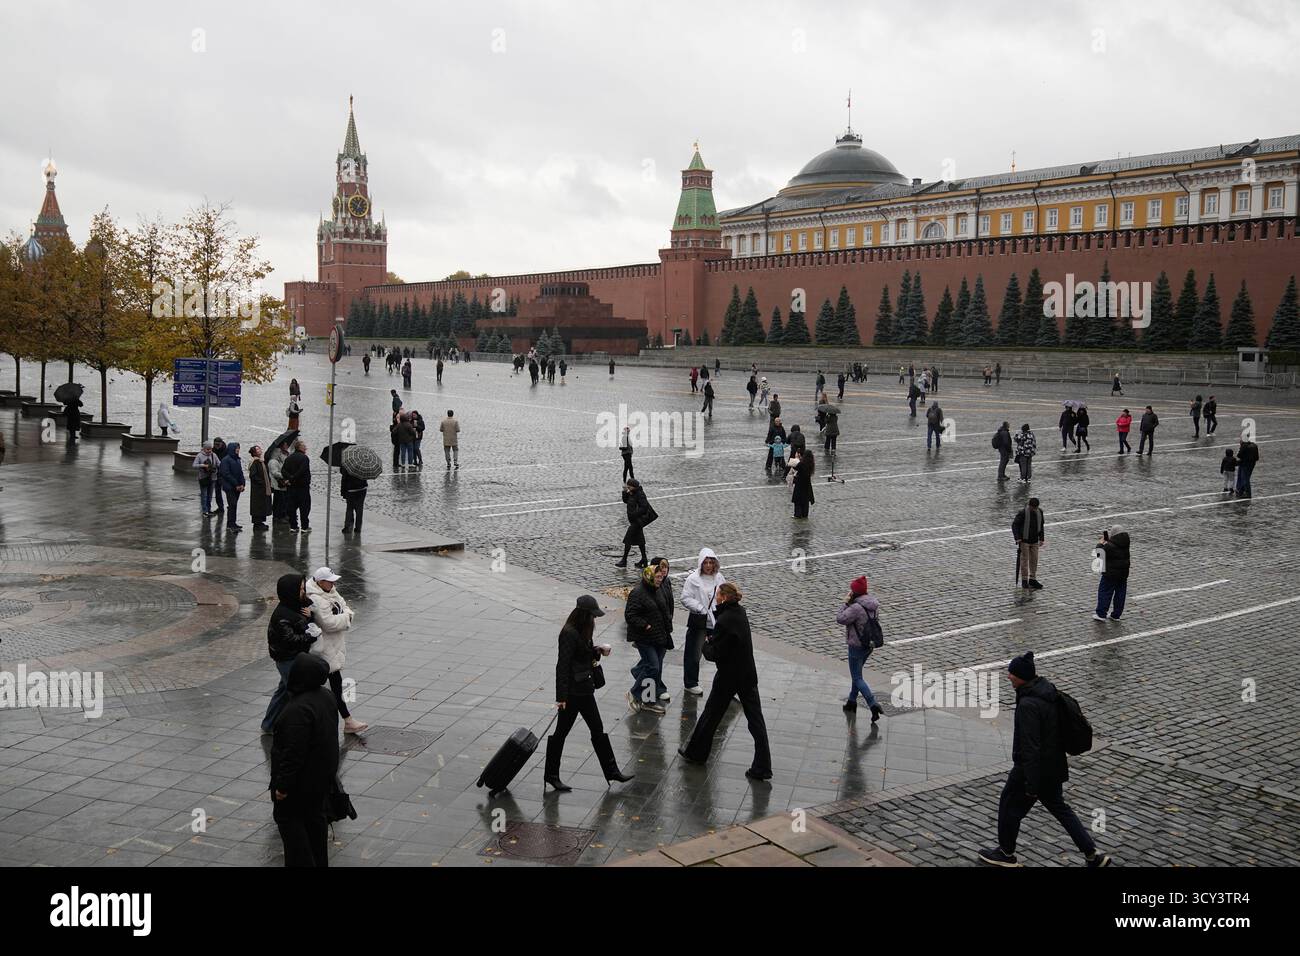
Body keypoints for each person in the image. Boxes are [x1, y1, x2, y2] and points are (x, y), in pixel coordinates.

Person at [978, 652, 1110, 867]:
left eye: (1012, 673)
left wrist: (1030, 783)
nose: (1009, 676)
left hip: (1031, 771)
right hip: (1054, 766)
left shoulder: (1028, 705)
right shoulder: (1048, 693)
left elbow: (1030, 747)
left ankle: (1005, 853)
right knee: (1060, 809)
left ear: (1022, 676)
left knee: (1009, 805)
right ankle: (1093, 854)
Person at [678, 582, 772, 781]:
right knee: (756, 720)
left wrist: (706, 644)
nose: (716, 597)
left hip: (728, 677)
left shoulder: (725, 620)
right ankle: (763, 765)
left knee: (711, 715)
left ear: (723, 597)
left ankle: (696, 753)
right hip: (747, 675)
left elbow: (715, 654)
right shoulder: (740, 613)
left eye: (717, 594)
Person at [546, 595, 635, 792]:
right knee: (561, 733)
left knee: (598, 729)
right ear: (584, 615)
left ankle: (612, 771)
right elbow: (563, 666)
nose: (594, 620)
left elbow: (582, 655)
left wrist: (597, 650)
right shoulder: (568, 633)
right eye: (592, 616)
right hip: (572, 694)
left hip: (585, 691)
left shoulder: (583, 630)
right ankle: (551, 775)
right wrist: (561, 698)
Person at [269, 652, 338, 868]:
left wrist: (282, 786)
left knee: (293, 832)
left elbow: (292, 753)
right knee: (315, 824)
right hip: (320, 780)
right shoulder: (326, 696)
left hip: (299, 785)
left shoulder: (296, 711)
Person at [306, 566, 367, 734]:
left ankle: (345, 721)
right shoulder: (316, 598)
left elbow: (344, 605)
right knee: (333, 686)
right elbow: (329, 623)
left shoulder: (330, 591)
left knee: (331, 686)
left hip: (333, 647)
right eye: (330, 581)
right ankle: (347, 721)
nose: (333, 584)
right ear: (320, 582)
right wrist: (346, 617)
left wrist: (344, 614)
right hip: (324, 649)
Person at [261, 574, 320, 732]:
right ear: (290, 591)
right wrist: (310, 636)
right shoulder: (282, 615)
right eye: (300, 589)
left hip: (297, 657)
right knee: (298, 695)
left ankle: (269, 724)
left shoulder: (297, 605)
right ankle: (298, 727)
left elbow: (304, 623)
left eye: (303, 588)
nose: (303, 592)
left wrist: (311, 616)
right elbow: (291, 639)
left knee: (283, 692)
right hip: (288, 659)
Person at [625, 561, 673, 714]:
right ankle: (634, 693)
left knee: (654, 670)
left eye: (661, 576)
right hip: (645, 637)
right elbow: (630, 615)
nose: (660, 579)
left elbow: (664, 609)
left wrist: (668, 629)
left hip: (659, 636)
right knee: (653, 667)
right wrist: (645, 625)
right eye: (657, 576)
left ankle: (648, 700)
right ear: (650, 577)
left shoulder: (657, 589)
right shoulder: (638, 593)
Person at [837, 576, 884, 720]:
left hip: (856, 646)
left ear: (855, 592)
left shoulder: (856, 608)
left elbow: (841, 618)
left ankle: (873, 704)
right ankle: (852, 701)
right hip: (868, 645)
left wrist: (845, 603)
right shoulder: (873, 605)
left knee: (857, 677)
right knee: (857, 675)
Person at [680, 548, 724, 697]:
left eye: (711, 562)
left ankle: (726, 682)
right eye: (705, 562)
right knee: (694, 653)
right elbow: (685, 598)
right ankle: (690, 682)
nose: (708, 565)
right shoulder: (693, 579)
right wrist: (700, 608)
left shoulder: (719, 578)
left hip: (716, 620)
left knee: (722, 653)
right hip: (699, 620)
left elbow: (724, 594)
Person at [616, 478, 655, 568]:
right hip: (634, 521)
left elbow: (644, 507)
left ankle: (624, 560)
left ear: (633, 486)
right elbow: (625, 501)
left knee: (628, 539)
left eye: (628, 486)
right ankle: (644, 559)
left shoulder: (640, 494)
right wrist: (624, 492)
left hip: (637, 521)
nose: (627, 487)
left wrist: (634, 514)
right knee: (640, 541)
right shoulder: (632, 493)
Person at [1093, 528, 1131, 621]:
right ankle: (1116, 615)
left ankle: (1101, 614)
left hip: (1110, 574)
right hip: (1123, 574)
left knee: (1105, 593)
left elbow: (1099, 553)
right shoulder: (1125, 543)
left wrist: (1100, 543)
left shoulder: (1110, 546)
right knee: (1120, 594)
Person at [1012, 497, 1045, 590]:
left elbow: (1041, 525)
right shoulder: (1023, 513)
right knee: (1024, 561)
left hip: (1034, 540)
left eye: (1035, 508)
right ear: (1029, 505)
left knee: (1034, 560)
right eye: (1033, 508)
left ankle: (1032, 579)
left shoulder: (1040, 512)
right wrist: (1017, 538)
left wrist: (1041, 538)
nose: (1034, 509)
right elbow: (1015, 525)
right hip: (1024, 541)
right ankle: (1024, 581)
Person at [281, 439, 312, 533]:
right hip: (302, 487)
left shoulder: (289, 458)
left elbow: (283, 470)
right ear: (300, 447)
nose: (306, 448)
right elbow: (302, 471)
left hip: (291, 487)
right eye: (304, 446)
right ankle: (304, 527)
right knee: (304, 508)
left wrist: (289, 478)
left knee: (292, 508)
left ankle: (293, 526)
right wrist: (293, 478)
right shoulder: (304, 458)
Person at [217, 441, 245, 532]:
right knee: (232, 504)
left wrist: (242, 484)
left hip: (237, 487)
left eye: (238, 448)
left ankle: (233, 522)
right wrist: (236, 484)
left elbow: (240, 473)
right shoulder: (226, 460)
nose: (238, 449)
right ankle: (230, 524)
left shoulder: (237, 459)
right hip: (229, 487)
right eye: (236, 448)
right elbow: (226, 474)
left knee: (234, 505)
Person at [248, 445, 273, 531]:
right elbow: (253, 476)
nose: (260, 450)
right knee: (258, 506)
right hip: (258, 489)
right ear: (254, 452)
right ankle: (257, 523)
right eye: (257, 449)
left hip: (262, 488)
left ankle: (260, 522)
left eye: (259, 448)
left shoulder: (261, 461)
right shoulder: (255, 462)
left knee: (262, 505)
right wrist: (262, 483)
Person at [193, 440, 220, 516]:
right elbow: (194, 465)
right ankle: (204, 511)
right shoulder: (199, 455)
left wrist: (215, 468)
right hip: (203, 478)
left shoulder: (214, 455)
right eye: (207, 449)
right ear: (203, 449)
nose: (209, 451)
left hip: (213, 478)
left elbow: (219, 463)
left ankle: (209, 509)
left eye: (210, 449)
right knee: (204, 495)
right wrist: (203, 465)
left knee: (210, 495)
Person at [790, 446, 816, 519]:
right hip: (807, 484)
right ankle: (805, 514)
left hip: (799, 484)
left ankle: (797, 514)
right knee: (805, 500)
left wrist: (797, 458)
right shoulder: (810, 464)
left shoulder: (801, 464)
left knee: (798, 500)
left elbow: (794, 466)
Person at [341, 464, 367, 534]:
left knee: (349, 508)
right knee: (359, 509)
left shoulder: (347, 464)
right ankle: (358, 528)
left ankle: (347, 527)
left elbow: (344, 478)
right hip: (362, 488)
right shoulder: (364, 463)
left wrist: (343, 492)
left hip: (351, 489)